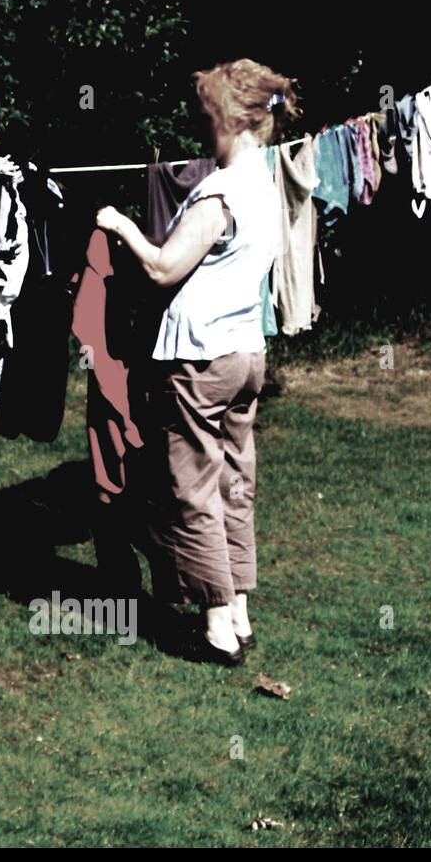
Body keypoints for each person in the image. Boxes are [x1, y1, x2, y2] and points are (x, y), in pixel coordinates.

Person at [94, 59, 296, 665]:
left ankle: (215, 627)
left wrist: (120, 224)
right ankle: (238, 610)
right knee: (236, 482)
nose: (201, 127)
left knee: (195, 488)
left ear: (234, 120)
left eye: (208, 116)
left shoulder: (220, 193)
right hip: (246, 354)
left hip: (200, 359)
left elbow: (162, 268)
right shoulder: (266, 185)